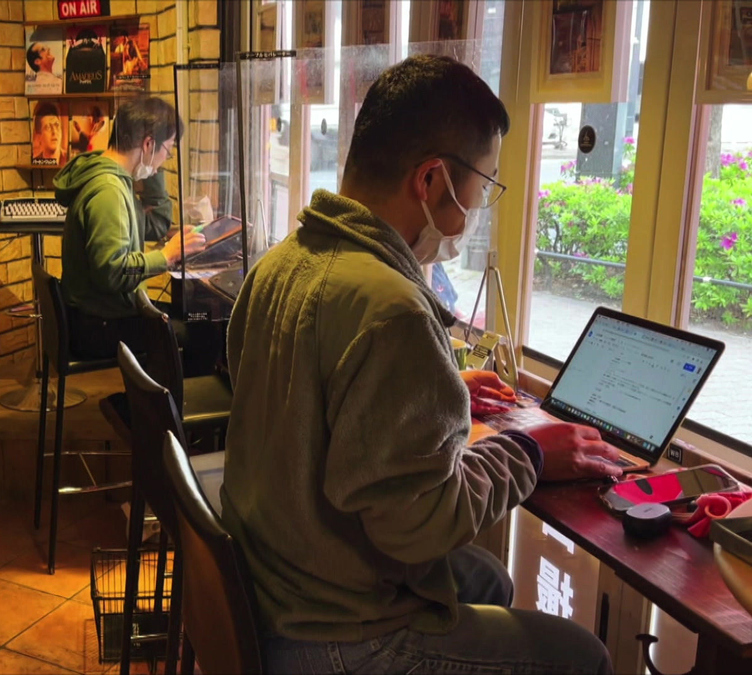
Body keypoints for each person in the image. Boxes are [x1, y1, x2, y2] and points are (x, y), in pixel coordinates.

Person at [223, 55, 620, 674]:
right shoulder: (392, 311)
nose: (477, 209)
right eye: (482, 188)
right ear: (432, 180)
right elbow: (419, 526)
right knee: (583, 657)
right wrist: (533, 454)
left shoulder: (281, 263)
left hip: (270, 581)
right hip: (336, 633)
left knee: (483, 579)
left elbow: (310, 397)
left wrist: (444, 389)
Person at [54, 97, 205, 361]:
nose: (163, 162)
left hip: (99, 314)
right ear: (148, 144)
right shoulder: (109, 191)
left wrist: (151, 168)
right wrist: (166, 256)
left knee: (194, 319)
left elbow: (154, 225)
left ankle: (143, 401)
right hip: (99, 324)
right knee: (199, 331)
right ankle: (153, 403)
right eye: (166, 152)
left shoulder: (115, 178)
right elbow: (113, 272)